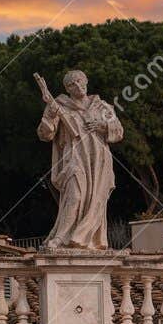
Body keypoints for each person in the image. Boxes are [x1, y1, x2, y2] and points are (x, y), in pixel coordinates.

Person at [35, 69, 123, 250]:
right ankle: (61, 238)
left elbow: (118, 131)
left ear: (86, 81)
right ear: (67, 89)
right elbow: (46, 134)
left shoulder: (102, 106)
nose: (78, 85)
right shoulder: (60, 105)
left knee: (96, 200)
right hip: (74, 156)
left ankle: (86, 239)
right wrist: (51, 114)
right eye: (72, 84)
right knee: (74, 195)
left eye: (80, 81)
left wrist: (103, 126)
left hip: (99, 159)